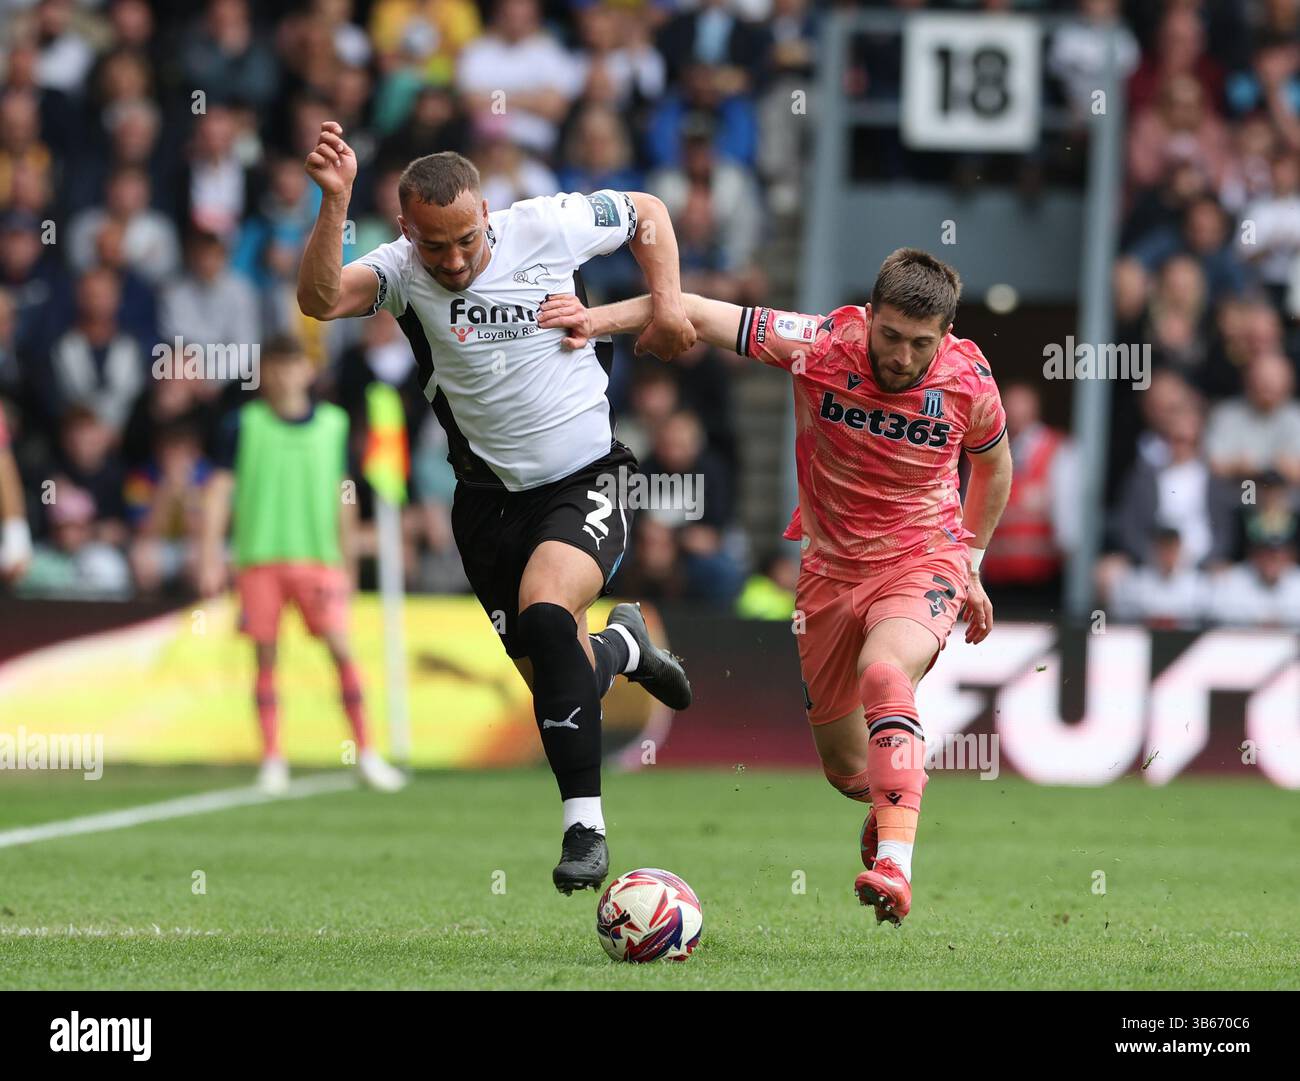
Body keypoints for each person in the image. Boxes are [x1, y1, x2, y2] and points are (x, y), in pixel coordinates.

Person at [538, 247, 1013, 925]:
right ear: (869, 316)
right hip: (827, 571)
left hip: (922, 557)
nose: (903, 357)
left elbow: (994, 467)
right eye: (891, 337)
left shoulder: (969, 381)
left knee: (885, 674)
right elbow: (695, 313)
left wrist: (970, 558)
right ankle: (885, 806)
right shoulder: (818, 345)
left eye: (921, 344)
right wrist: (593, 317)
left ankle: (895, 869)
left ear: (945, 336)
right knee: (849, 771)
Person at [295, 122, 697, 894]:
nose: (452, 260)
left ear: (489, 214)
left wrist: (668, 306)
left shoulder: (544, 226)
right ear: (408, 228)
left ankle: (584, 826)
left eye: (466, 241)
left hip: (587, 478)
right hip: (486, 509)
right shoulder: (400, 270)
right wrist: (334, 202)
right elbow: (318, 300)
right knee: (557, 671)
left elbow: (647, 209)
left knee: (548, 614)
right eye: (435, 244)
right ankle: (624, 648)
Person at [196, 334, 406, 794]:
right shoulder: (242, 425)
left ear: (308, 371)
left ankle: (366, 752)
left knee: (340, 650)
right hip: (259, 557)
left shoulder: (333, 426)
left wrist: (348, 561)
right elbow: (218, 492)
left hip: (319, 559)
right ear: (264, 373)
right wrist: (210, 555)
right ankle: (273, 758)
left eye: (292, 365)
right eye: (274, 366)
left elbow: (344, 496)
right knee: (265, 657)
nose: (283, 375)